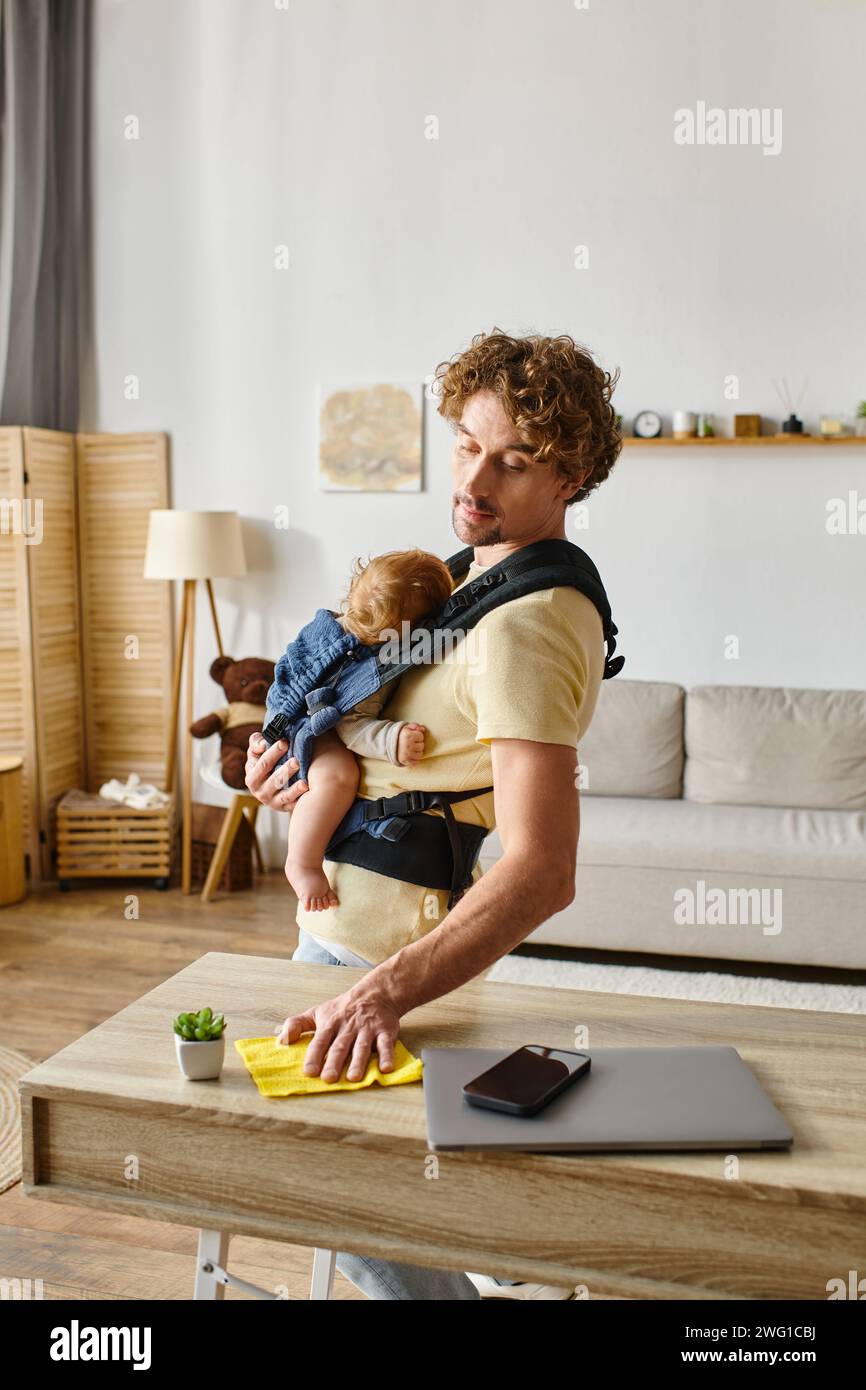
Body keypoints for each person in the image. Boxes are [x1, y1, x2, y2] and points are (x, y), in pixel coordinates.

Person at [245, 328, 622, 1300]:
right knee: (358, 1201)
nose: (473, 477)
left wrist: (383, 994)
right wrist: (295, 764)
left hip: (380, 955)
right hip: (344, 927)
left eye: (515, 459)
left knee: (338, 1201)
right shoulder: (467, 576)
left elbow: (542, 866)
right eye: (464, 441)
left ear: (569, 474)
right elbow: (395, 740)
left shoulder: (528, 624)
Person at [277, 548, 453, 911]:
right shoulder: (367, 668)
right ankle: (302, 861)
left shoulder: (348, 624)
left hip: (312, 718)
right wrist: (391, 739)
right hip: (305, 727)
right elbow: (351, 726)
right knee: (338, 776)